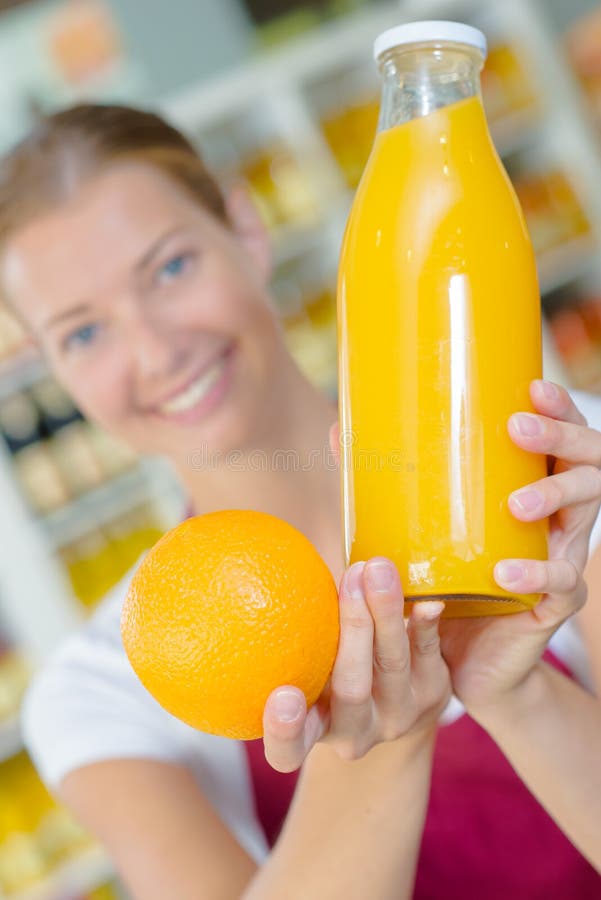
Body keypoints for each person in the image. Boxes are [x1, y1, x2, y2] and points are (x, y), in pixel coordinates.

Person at [0, 104, 598, 899]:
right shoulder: (101, 686)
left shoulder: (552, 471)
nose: (153, 349)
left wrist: (515, 691)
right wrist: (382, 737)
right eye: (82, 334)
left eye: (170, 268)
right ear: (49, 368)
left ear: (245, 231)